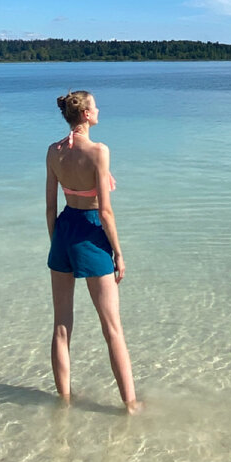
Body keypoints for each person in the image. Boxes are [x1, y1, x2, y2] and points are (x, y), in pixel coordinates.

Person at [45, 90, 142, 414]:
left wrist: (57, 244)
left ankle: (65, 401)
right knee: (112, 328)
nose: (99, 109)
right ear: (86, 114)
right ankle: (130, 405)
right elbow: (105, 212)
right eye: (96, 106)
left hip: (63, 231)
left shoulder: (53, 152)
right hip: (90, 232)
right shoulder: (99, 151)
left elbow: (49, 207)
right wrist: (118, 253)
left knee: (61, 325)